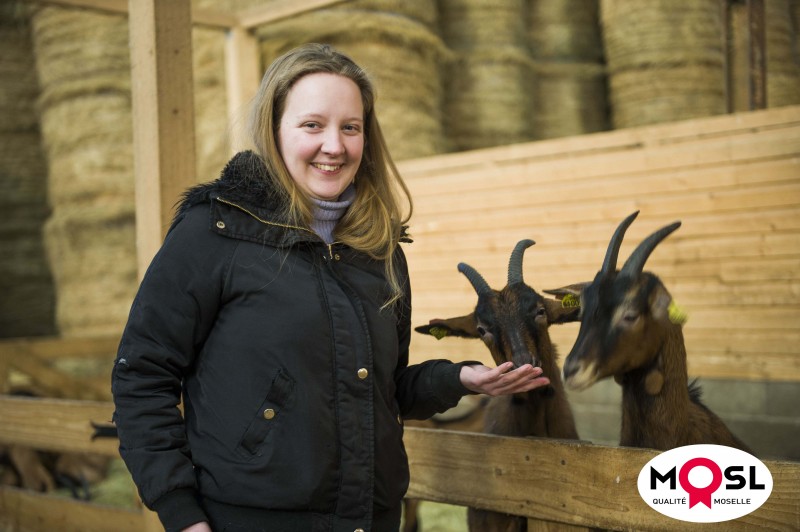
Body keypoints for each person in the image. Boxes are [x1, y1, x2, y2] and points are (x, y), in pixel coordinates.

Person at [111, 43, 551, 532]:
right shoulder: (214, 233)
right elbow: (141, 376)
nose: (335, 146)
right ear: (274, 130)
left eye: (351, 127)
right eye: (312, 125)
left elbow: (379, 389)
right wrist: (180, 512)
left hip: (370, 518)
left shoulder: (380, 251)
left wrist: (461, 379)